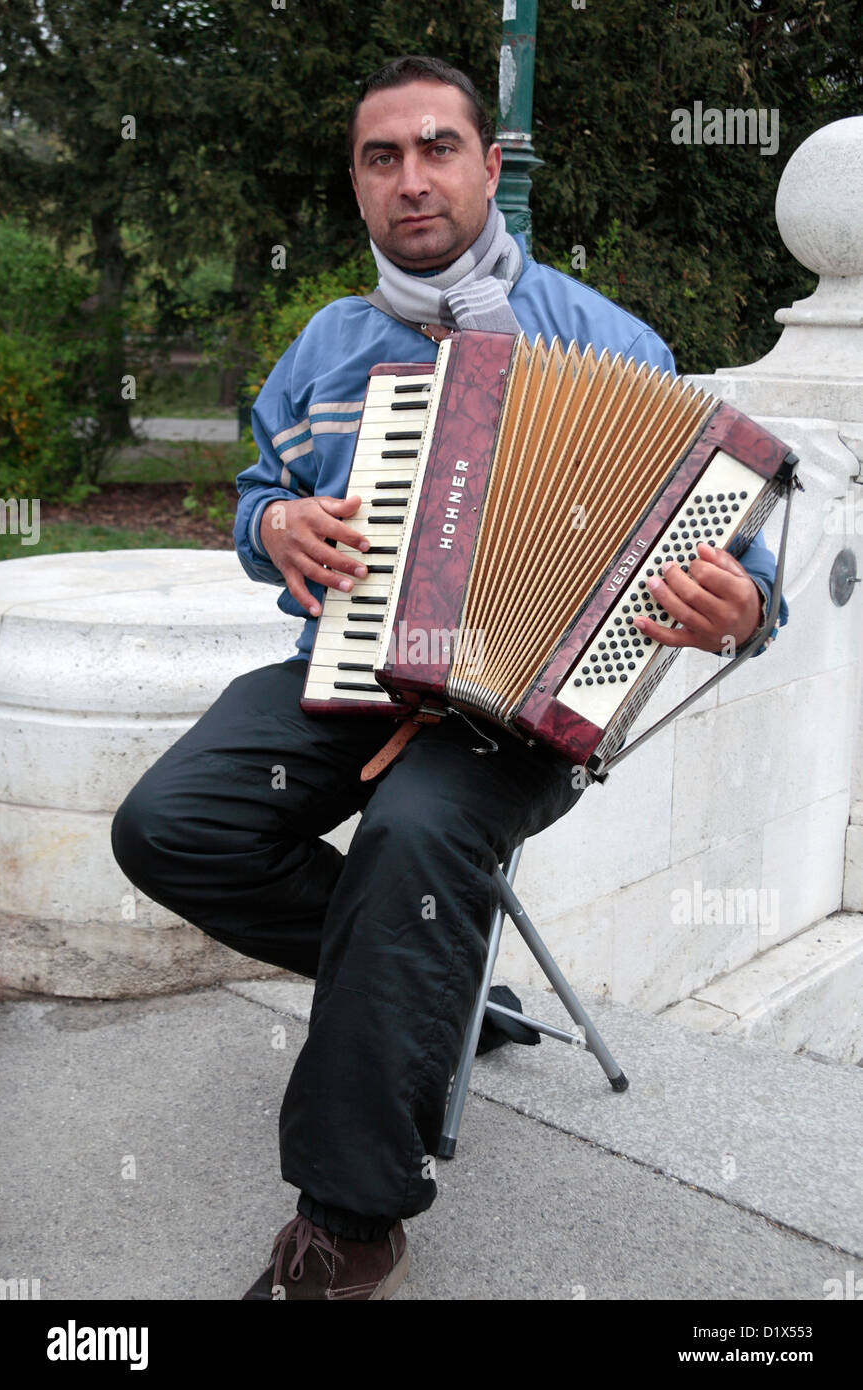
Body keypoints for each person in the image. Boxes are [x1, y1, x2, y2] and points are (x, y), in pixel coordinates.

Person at [111, 54, 788, 1301]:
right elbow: (265, 493)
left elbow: (737, 557)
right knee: (168, 823)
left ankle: (350, 1222)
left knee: (417, 834)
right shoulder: (323, 344)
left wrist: (740, 606)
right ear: (358, 185)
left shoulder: (606, 340)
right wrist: (271, 529)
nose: (410, 178)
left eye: (436, 149)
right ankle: (433, 983)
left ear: (489, 165)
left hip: (517, 712)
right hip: (354, 659)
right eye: (382, 157)